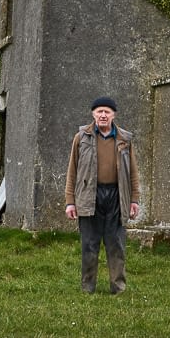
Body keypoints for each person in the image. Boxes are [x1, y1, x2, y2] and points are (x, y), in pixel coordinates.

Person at [64, 96, 140, 294]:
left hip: (116, 195)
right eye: (99, 111)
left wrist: (134, 200)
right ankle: (87, 287)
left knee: (116, 244)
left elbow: (133, 172)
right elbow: (72, 170)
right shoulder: (81, 138)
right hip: (90, 195)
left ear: (113, 114)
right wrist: (70, 202)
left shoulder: (125, 139)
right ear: (93, 114)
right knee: (89, 244)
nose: (103, 115)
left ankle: (118, 288)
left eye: (107, 111)